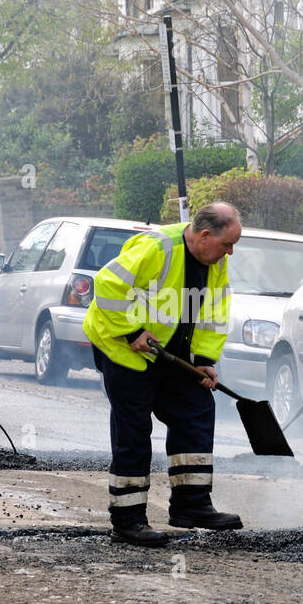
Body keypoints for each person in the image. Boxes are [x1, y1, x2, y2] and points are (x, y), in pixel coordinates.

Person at [83, 202, 245, 547]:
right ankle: (127, 520)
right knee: (134, 431)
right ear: (204, 235)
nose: (230, 252)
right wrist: (132, 332)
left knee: (197, 409)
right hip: (127, 352)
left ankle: (191, 505)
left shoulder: (214, 263)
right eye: (227, 244)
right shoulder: (157, 248)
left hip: (172, 356)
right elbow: (108, 284)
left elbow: (215, 310)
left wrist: (203, 358)